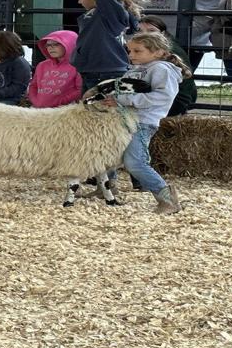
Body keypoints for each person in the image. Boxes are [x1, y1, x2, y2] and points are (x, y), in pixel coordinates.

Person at [91, 31, 191, 215]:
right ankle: (106, 189)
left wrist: (124, 100)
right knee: (107, 154)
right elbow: (126, 91)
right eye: (130, 51)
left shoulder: (162, 69)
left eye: (138, 51)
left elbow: (162, 97)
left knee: (135, 162)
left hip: (143, 122)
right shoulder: (138, 68)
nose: (131, 55)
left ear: (158, 52)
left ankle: (168, 199)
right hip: (123, 119)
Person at [137, 16, 196, 116]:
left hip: (176, 99)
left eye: (151, 30)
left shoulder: (166, 50)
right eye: (140, 30)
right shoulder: (159, 45)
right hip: (175, 96)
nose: (145, 34)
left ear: (162, 33)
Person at [26, 30, 82, 108]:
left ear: (69, 44)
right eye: (48, 45)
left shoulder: (77, 66)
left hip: (64, 109)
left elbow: (80, 89)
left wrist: (59, 102)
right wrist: (35, 101)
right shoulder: (42, 65)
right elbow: (33, 86)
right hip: (38, 109)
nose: (51, 48)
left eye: (56, 44)